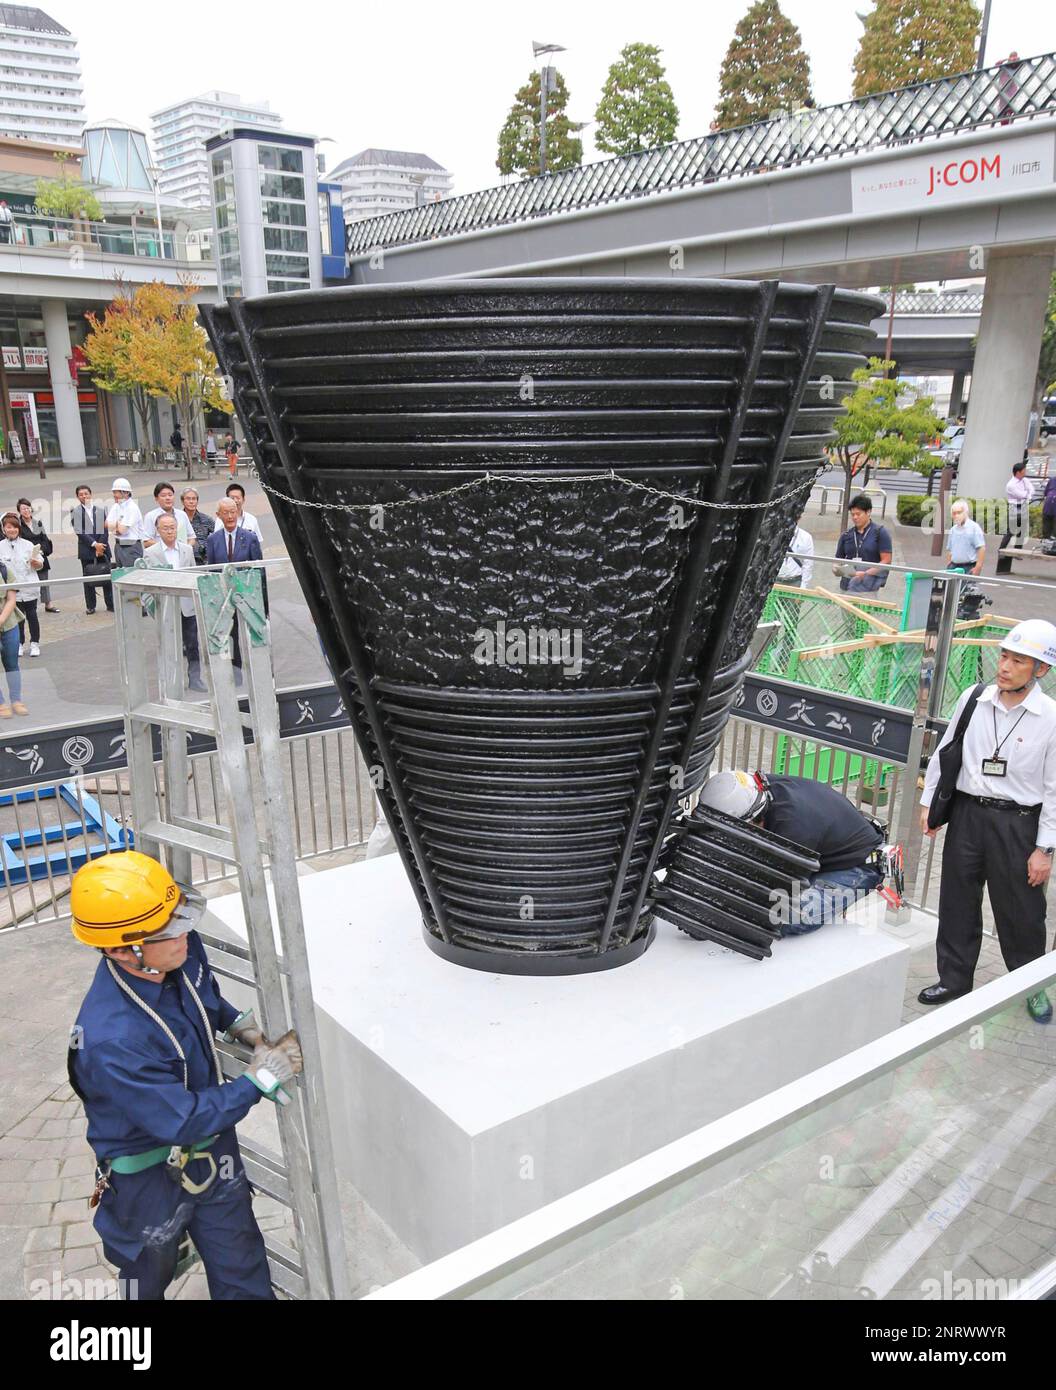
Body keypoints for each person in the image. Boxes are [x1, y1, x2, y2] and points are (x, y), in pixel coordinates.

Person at [67, 850, 303, 1300]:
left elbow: (204, 994)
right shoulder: (112, 1040)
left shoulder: (178, 950)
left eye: (181, 919)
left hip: (213, 1153)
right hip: (147, 1176)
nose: (184, 932)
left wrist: (239, 1026)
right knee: (147, 1274)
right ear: (123, 949)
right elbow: (181, 1119)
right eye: (169, 929)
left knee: (241, 1262)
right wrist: (258, 1080)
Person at [918, 619, 1056, 1023]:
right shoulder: (974, 698)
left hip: (1018, 824)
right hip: (967, 815)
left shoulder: (1050, 717)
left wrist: (1044, 848)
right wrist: (931, 805)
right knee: (958, 900)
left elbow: (1054, 790)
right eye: (1004, 656)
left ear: (1041, 670)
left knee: (1022, 912)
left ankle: (1029, 985)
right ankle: (954, 979)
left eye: (1018, 661)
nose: (1006, 666)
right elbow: (948, 749)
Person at [696, 769, 885, 931]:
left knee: (784, 916)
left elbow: (772, 892)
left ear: (753, 819)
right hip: (821, 849)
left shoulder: (792, 830)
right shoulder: (754, 789)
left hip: (855, 867)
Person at [143, 514, 206, 691]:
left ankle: (195, 679)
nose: (170, 531)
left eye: (172, 527)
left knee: (193, 644)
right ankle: (172, 681)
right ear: (157, 530)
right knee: (169, 644)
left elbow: (193, 575)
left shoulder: (186, 549)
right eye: (165, 528)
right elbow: (149, 581)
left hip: (187, 604)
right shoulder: (150, 552)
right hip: (166, 605)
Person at [205, 498, 265, 680]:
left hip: (246, 596)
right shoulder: (213, 540)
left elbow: (259, 570)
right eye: (226, 512)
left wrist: (262, 601)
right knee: (230, 634)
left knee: (252, 633)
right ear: (218, 516)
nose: (230, 516)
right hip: (224, 597)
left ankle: (258, 670)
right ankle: (235, 669)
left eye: (233, 511)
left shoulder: (250, 538)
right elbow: (212, 570)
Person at [0, 509, 42, 656]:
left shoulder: (28, 544)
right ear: (3, 529)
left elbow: (40, 563)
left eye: (14, 527)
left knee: (32, 615)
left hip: (29, 586)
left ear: (19, 528)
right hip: (11, 590)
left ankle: (35, 643)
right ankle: (20, 643)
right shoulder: (1, 546)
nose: (12, 530)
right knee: (18, 618)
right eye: (8, 527)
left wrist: (36, 563)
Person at [833, 494, 892, 594]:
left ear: (868, 512)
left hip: (868, 588)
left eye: (858, 514)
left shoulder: (880, 532)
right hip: (846, 586)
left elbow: (886, 560)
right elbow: (836, 563)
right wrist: (845, 572)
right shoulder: (846, 535)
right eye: (852, 514)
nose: (855, 517)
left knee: (865, 610)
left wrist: (865, 574)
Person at [71, 483, 114, 615]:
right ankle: (91, 605)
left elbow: (105, 529)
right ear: (77, 497)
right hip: (87, 550)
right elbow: (80, 532)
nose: (84, 496)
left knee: (107, 577)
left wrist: (101, 545)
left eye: (86, 493)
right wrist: (94, 544)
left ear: (91, 494)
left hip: (103, 548)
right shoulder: (75, 512)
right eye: (81, 494)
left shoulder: (100, 510)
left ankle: (111, 604)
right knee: (88, 579)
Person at [16, 497, 58, 611]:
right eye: (23, 509)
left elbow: (44, 538)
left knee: (44, 580)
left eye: (28, 508)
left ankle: (48, 604)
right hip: (26, 557)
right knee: (28, 581)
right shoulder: (18, 525)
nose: (26, 510)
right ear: (19, 511)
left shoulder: (37, 522)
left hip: (40, 553)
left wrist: (41, 551)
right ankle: (28, 604)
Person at [0, 558, 26, 715]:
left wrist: (2, 618)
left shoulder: (3, 569)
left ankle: (16, 700)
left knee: (12, 663)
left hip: (9, 623)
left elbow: (11, 599)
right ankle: (1, 703)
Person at [997, 461, 1033, 573]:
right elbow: (1022, 495)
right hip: (1014, 508)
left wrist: (1028, 494)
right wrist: (1027, 494)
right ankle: (1001, 550)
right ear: (1018, 472)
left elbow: (1031, 490)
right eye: (1023, 471)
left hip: (1023, 507)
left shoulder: (1025, 480)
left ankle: (1018, 552)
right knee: (1010, 531)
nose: (1025, 473)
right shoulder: (1011, 485)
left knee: (1022, 531)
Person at [105, 477, 144, 569]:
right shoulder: (116, 506)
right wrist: (117, 526)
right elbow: (106, 524)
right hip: (118, 546)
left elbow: (122, 530)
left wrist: (115, 527)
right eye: (113, 492)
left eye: (116, 492)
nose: (114, 495)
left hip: (131, 547)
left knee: (131, 575)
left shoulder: (132, 507)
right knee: (120, 575)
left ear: (125, 492)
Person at [142, 480, 192, 547]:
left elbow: (191, 537)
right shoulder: (150, 516)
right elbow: (146, 541)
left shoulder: (182, 514)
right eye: (163, 496)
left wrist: (186, 548)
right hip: (160, 554)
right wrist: (167, 547)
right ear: (156, 499)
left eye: (170, 495)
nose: (168, 498)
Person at [944, 498, 986, 575]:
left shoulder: (974, 527)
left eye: (959, 512)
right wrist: (949, 564)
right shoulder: (953, 530)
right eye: (954, 513)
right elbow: (950, 550)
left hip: (968, 567)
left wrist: (978, 567)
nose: (956, 515)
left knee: (966, 587)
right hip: (953, 566)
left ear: (965, 513)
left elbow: (981, 548)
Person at [179, 487, 212, 565]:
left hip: (204, 560)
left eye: (194, 499)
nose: (191, 502)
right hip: (185, 559)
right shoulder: (177, 519)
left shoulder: (206, 519)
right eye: (188, 499)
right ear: (182, 501)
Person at [776, 524, 814, 588]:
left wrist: (803, 586)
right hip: (775, 581)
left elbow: (808, 563)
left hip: (795, 582)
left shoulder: (805, 537)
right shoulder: (774, 535)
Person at [1043, 472, 1056, 545]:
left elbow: (1045, 493)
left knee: (1047, 531)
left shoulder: (1052, 479)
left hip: (1047, 506)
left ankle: (1045, 545)